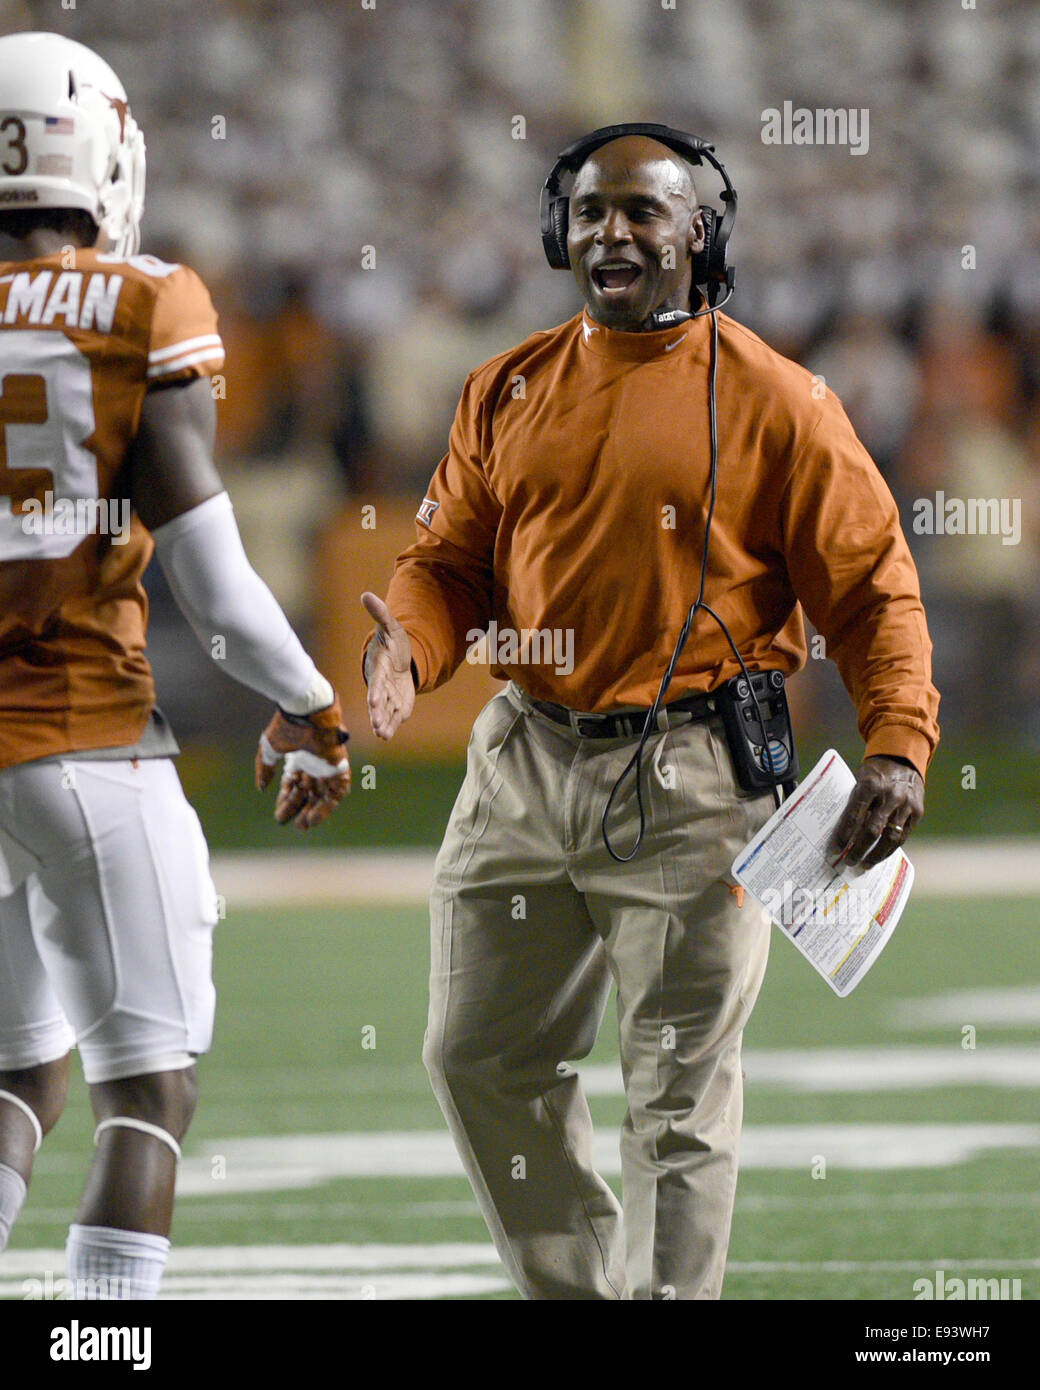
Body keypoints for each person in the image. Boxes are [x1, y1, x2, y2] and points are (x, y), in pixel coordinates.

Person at [362, 127, 939, 1300]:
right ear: (555, 235)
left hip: (691, 776)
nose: (608, 234)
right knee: (475, 1055)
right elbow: (446, 564)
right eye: (586, 214)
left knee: (675, 1096)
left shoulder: (778, 400)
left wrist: (899, 741)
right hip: (521, 754)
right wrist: (408, 652)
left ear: (698, 235)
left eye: (638, 212)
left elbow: (871, 584)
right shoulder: (507, 384)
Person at [0, 32, 350, 1299]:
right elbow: (213, 588)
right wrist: (312, 705)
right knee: (145, 1090)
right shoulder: (145, 300)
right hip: (87, 742)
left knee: (15, 1075)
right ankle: (104, 1345)